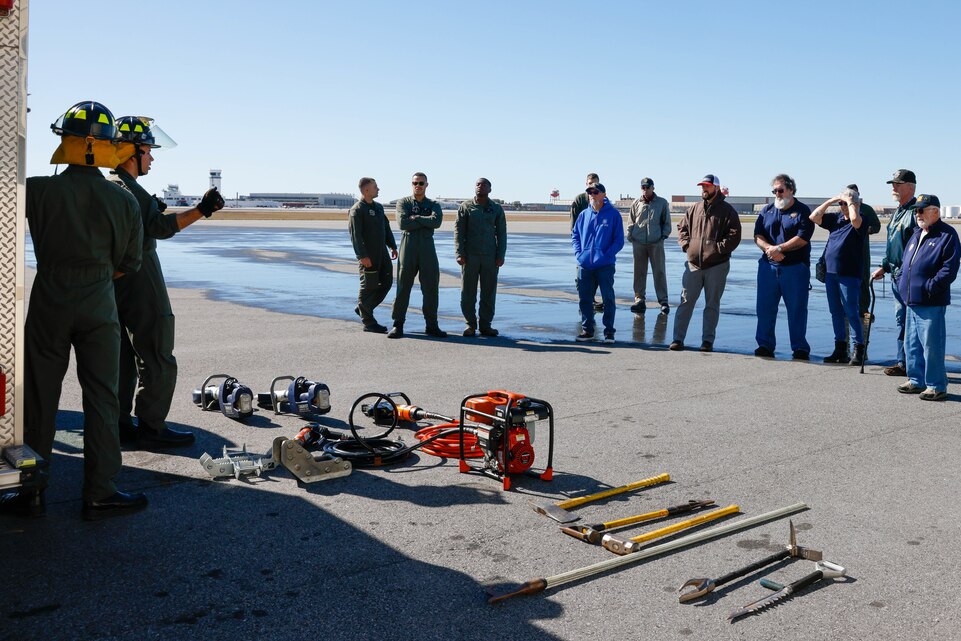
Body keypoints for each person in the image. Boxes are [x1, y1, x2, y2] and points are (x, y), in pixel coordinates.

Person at [16, 102, 145, 520]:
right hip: (98, 300)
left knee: (38, 398)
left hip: (50, 297)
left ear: (64, 141)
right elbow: (131, 264)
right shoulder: (123, 200)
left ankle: (30, 488)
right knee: (103, 399)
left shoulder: (35, 190)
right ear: (110, 147)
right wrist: (99, 276)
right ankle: (100, 490)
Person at [112, 116, 224, 448]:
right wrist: (203, 209)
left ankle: (119, 424)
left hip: (116, 285)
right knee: (157, 352)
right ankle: (151, 427)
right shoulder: (128, 188)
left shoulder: (112, 184)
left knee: (121, 357)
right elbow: (160, 227)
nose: (152, 157)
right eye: (147, 150)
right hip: (140, 282)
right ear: (131, 153)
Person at [896, 195, 960, 401]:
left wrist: (931, 287)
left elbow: (949, 269)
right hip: (911, 299)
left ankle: (936, 385)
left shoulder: (947, 235)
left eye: (922, 210)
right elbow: (907, 261)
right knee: (912, 344)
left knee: (932, 345)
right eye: (916, 211)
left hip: (931, 301)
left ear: (935, 211)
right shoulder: (916, 233)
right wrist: (901, 280)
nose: (918, 214)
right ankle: (916, 380)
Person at [670, 174, 742, 352]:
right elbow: (682, 228)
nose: (704, 189)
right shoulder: (694, 209)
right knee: (685, 302)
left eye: (707, 186)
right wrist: (687, 246)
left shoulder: (727, 211)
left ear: (716, 188)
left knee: (712, 304)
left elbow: (734, 235)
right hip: (693, 265)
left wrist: (717, 249)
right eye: (702, 186)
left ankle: (707, 341)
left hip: (717, 266)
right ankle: (678, 339)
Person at [752, 174, 813, 360]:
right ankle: (765, 345)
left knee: (797, 310)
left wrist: (780, 248)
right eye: (774, 191)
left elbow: (803, 237)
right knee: (765, 309)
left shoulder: (802, 211)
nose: (777, 194)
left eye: (780, 190)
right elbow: (758, 235)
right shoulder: (767, 210)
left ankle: (800, 347)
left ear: (791, 190)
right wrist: (769, 249)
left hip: (795, 269)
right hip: (768, 268)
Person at [810, 188, 867, 365]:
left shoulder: (859, 221)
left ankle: (858, 348)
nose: (842, 206)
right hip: (831, 273)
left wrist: (851, 203)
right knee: (835, 312)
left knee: (851, 311)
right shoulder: (835, 220)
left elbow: (856, 221)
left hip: (849, 274)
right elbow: (814, 217)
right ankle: (840, 348)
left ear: (856, 204)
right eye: (840, 204)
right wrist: (831, 201)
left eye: (845, 204)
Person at [871, 169, 918, 376]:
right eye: (893, 184)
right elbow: (894, 245)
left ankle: (914, 364)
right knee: (901, 319)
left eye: (898, 184)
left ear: (911, 186)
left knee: (912, 321)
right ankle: (903, 362)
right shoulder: (899, 211)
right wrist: (885, 265)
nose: (894, 187)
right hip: (896, 274)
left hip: (910, 277)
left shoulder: (916, 212)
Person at [389, 172, 447, 339]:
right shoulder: (403, 203)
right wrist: (424, 221)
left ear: (426, 185)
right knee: (403, 287)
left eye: (421, 183)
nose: (418, 186)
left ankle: (432, 325)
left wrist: (417, 217)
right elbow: (403, 223)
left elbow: (436, 222)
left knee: (431, 288)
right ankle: (398, 324)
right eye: (415, 183)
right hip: (409, 246)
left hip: (427, 247)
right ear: (411, 184)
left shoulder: (433, 204)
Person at [572, 183, 624, 342]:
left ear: (603, 194)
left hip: (605, 265)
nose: (592, 195)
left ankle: (609, 332)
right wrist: (579, 255)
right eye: (590, 192)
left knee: (608, 298)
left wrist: (607, 255)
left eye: (596, 192)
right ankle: (587, 330)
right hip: (585, 264)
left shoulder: (613, 215)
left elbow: (619, 240)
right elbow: (575, 236)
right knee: (585, 298)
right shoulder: (583, 215)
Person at [455, 178, 506, 337]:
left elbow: (501, 234)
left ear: (490, 189)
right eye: (478, 184)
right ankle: (470, 324)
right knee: (468, 292)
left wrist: (500, 255)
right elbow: (459, 231)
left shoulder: (496, 209)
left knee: (489, 292)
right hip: (470, 257)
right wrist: (459, 253)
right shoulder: (466, 207)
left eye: (484, 185)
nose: (480, 186)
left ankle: (485, 325)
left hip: (490, 257)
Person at [349, 177, 397, 333]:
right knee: (368, 287)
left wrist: (392, 245)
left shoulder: (378, 208)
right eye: (375, 187)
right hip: (368, 255)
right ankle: (368, 322)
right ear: (366, 190)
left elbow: (386, 227)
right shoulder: (357, 210)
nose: (378, 189)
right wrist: (362, 255)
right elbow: (356, 235)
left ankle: (364, 308)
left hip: (382, 253)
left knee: (387, 281)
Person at [627, 177, 672, 315]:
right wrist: (631, 235)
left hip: (656, 243)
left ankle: (663, 301)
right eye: (643, 187)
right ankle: (639, 299)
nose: (645, 190)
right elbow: (631, 221)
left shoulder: (662, 203)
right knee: (639, 272)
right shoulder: (636, 203)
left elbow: (666, 223)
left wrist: (662, 237)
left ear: (653, 188)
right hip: (639, 243)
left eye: (648, 187)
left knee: (659, 272)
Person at [571, 172, 604, 312]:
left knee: (596, 274)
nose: (592, 185)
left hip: (597, 245)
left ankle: (590, 298)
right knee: (581, 274)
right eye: (590, 183)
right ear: (586, 184)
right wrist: (577, 249)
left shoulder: (602, 199)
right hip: (583, 245)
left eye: (594, 183)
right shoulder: (579, 200)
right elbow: (574, 226)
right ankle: (584, 300)